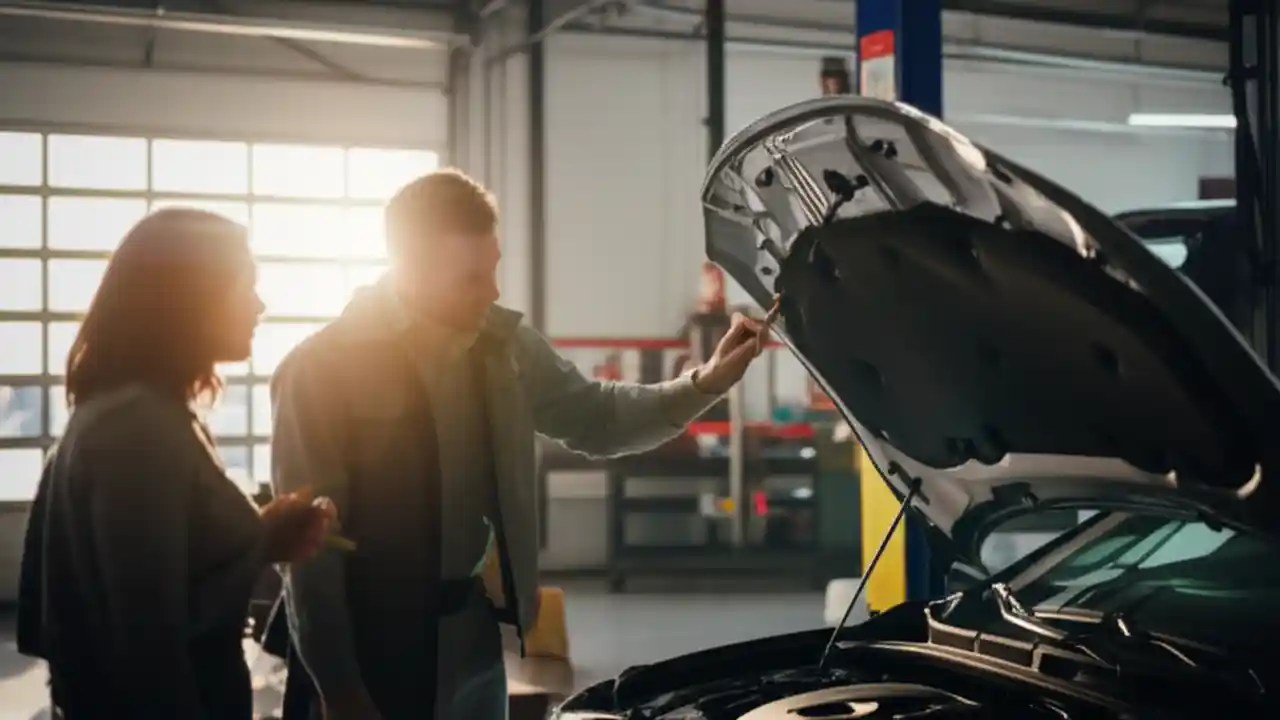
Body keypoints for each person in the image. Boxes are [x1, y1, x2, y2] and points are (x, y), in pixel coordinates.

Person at [271, 169, 765, 720]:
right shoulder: (321, 370)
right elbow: (309, 558)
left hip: (472, 640)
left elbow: (598, 416)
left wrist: (707, 382)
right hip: (371, 649)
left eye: (494, 267)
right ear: (409, 272)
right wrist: (338, 689)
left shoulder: (503, 349)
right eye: (470, 278)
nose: (493, 291)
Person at [16, 208, 337, 719]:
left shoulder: (130, 413)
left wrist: (260, 539)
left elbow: (158, 574)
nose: (260, 305)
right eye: (245, 286)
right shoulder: (138, 431)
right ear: (193, 298)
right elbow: (146, 634)